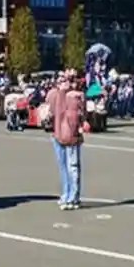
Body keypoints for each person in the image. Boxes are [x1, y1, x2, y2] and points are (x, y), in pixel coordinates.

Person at [45, 71, 85, 211]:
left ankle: (72, 196)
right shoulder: (55, 94)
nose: (63, 82)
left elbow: (77, 117)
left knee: (71, 166)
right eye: (61, 79)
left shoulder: (74, 95)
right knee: (65, 166)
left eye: (66, 79)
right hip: (59, 133)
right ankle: (67, 194)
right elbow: (50, 110)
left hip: (69, 135)